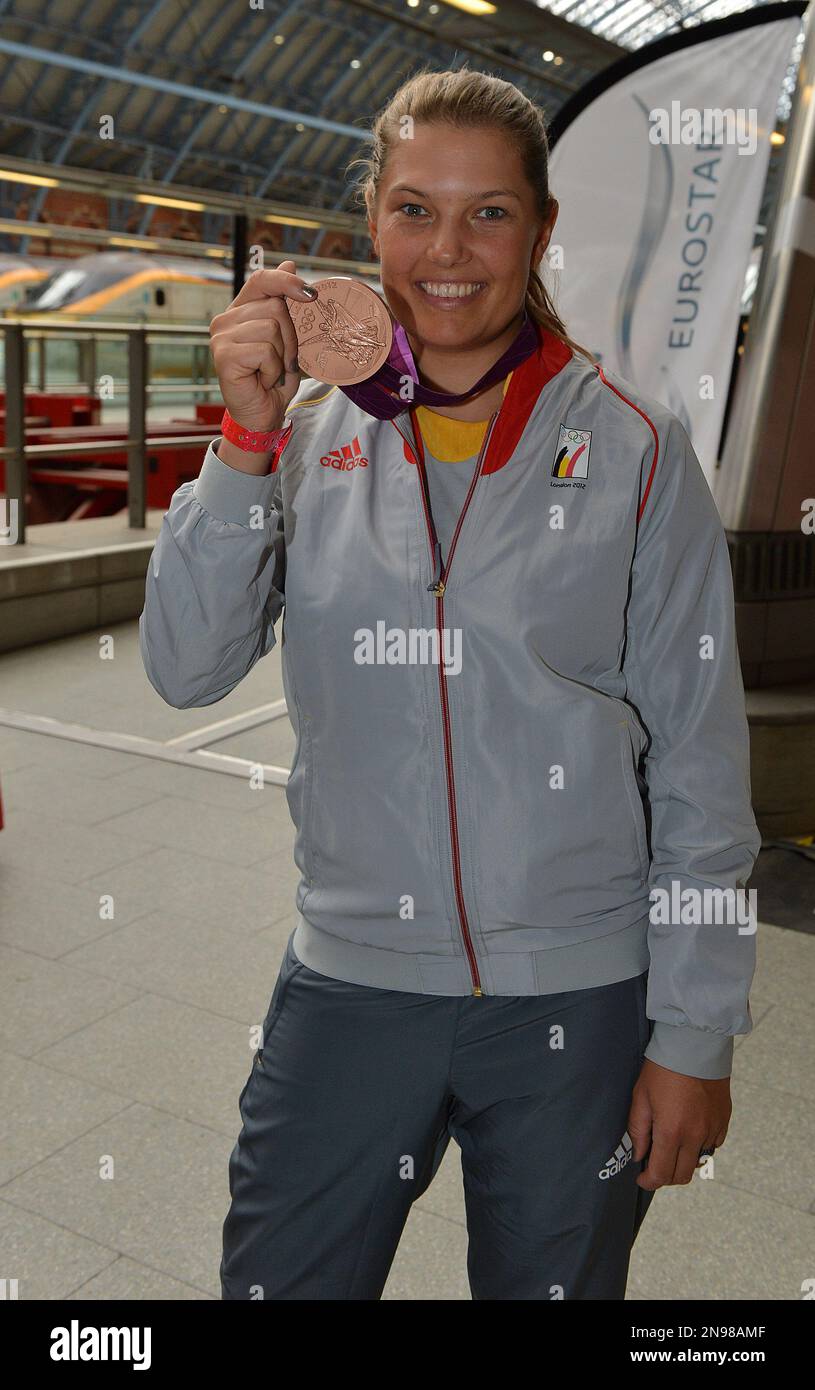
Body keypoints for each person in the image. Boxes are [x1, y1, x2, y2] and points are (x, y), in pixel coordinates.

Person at [139, 67, 762, 1301]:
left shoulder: (635, 448)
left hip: (577, 1000)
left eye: (488, 214)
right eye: (414, 208)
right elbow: (183, 668)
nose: (448, 250)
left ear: (538, 228)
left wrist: (692, 1032)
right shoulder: (308, 438)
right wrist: (244, 442)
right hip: (352, 980)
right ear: (370, 217)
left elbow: (698, 760)